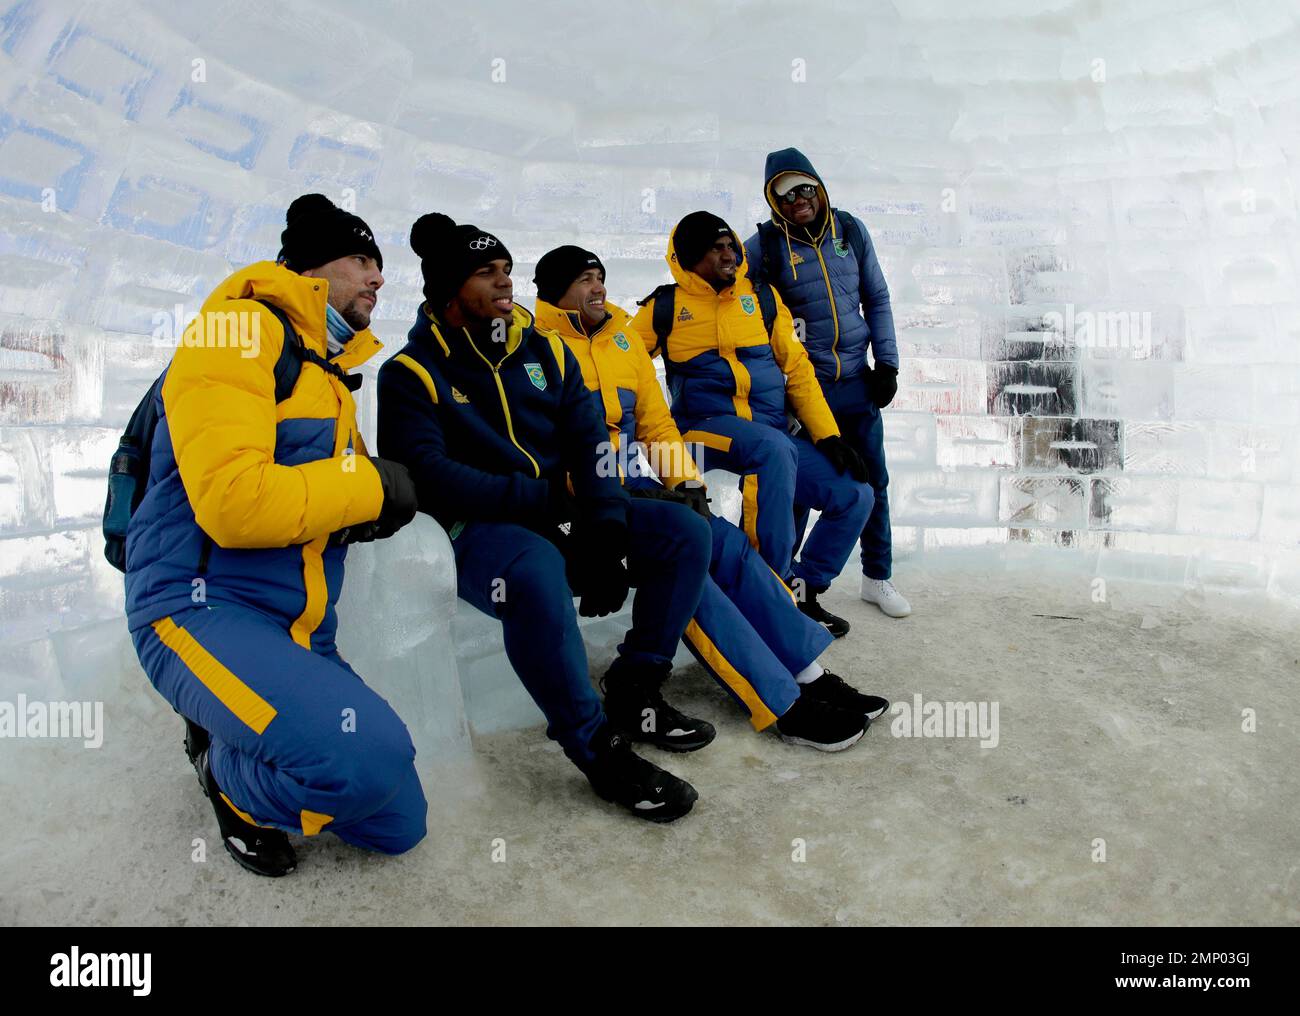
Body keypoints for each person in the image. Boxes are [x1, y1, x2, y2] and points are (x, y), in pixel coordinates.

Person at [377, 214, 713, 824]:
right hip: (471, 528)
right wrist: (553, 510)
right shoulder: (411, 372)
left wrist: (606, 529)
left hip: (562, 508)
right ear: (450, 291)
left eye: (506, 269)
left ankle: (634, 687)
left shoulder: (548, 351)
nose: (505, 282)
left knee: (686, 532)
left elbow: (592, 446)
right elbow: (430, 476)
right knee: (534, 570)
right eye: (486, 272)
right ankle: (596, 748)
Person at [125, 194, 424, 877]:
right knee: (361, 761)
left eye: (381, 265)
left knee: (398, 822)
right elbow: (234, 503)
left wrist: (367, 510)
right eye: (361, 259)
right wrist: (373, 486)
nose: (379, 278)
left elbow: (312, 504)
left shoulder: (329, 374)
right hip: (198, 610)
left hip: (299, 627)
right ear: (313, 270)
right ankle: (224, 774)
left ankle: (251, 737)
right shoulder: (234, 330)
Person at [535, 245, 888, 750]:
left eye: (601, 277)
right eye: (585, 280)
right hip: (582, 499)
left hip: (633, 486)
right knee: (689, 556)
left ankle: (807, 671)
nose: (599, 289)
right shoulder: (534, 346)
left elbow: (657, 425)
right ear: (553, 290)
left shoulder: (620, 341)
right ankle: (781, 702)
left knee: (726, 542)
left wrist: (686, 485)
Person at [631, 211, 871, 638]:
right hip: (700, 432)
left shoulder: (760, 298)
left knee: (854, 494)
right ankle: (768, 593)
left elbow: (796, 368)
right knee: (772, 448)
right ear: (690, 257)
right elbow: (624, 364)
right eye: (715, 249)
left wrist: (827, 434)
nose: (728, 255)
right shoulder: (664, 307)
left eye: (730, 247)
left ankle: (801, 590)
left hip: (767, 435)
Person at [744, 148, 910, 618]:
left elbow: (876, 298)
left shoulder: (850, 230)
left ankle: (877, 578)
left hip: (856, 381)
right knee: (795, 489)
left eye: (804, 189)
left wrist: (888, 364)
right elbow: (737, 300)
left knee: (873, 481)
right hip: (803, 393)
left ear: (818, 186)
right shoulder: (765, 246)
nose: (798, 200)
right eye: (785, 194)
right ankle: (786, 586)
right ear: (773, 201)